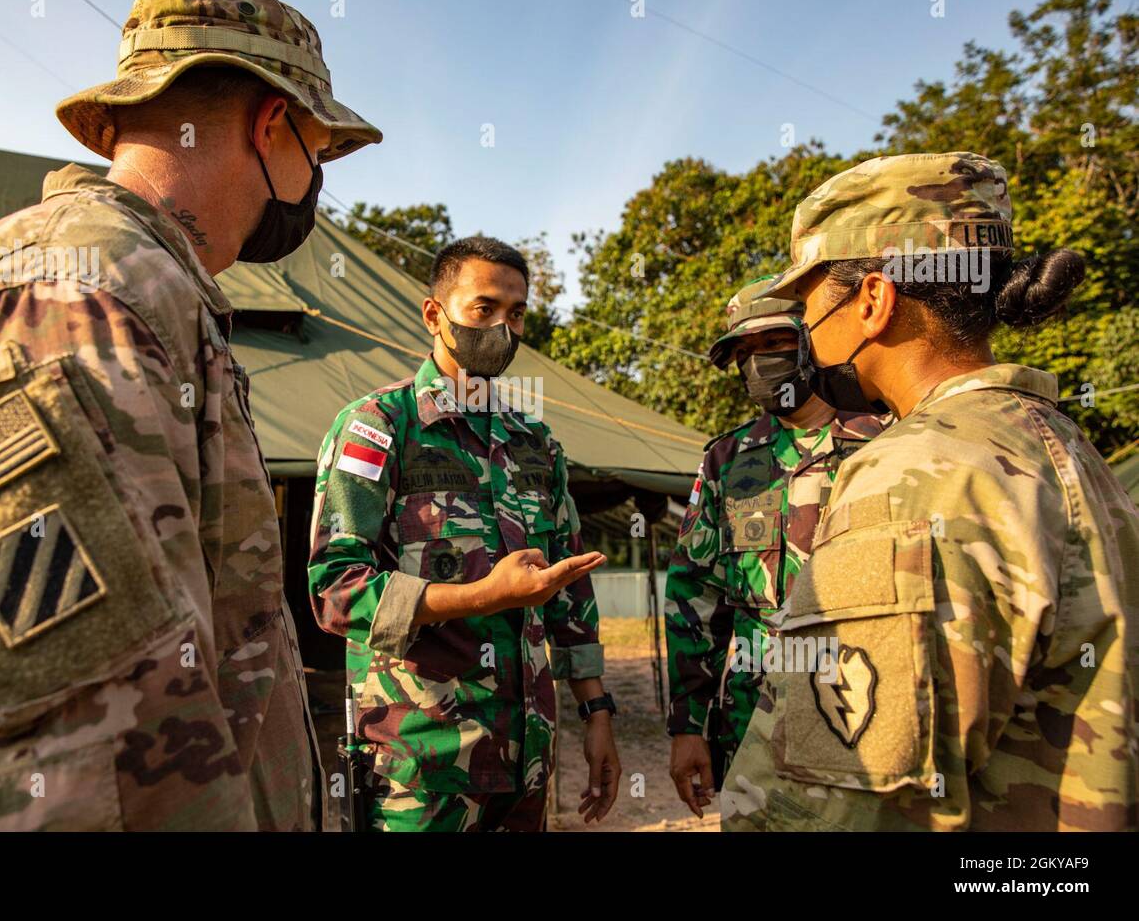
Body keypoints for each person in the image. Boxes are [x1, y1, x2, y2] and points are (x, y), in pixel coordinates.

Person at [0, 0, 380, 830]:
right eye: (317, 150)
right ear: (271, 125)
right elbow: (92, 752)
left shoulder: (137, 287)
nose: (314, 179)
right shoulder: (77, 294)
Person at [721, 151, 1139, 831]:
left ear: (874, 299)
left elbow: (847, 803)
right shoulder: (1066, 449)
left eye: (809, 308)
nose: (808, 338)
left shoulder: (913, 478)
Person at [306, 236, 619, 831]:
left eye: (517, 312)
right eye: (484, 309)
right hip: (422, 767)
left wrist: (597, 711)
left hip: (525, 757)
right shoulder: (378, 427)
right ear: (435, 314)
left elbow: (570, 590)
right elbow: (335, 590)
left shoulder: (536, 443)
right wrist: (485, 596)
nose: (502, 327)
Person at [664, 276, 889, 818]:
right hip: (753, 719)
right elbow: (693, 595)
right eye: (744, 353)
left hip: (864, 711)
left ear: (811, 339)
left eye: (774, 346)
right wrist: (687, 726)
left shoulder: (886, 439)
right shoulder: (727, 459)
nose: (758, 363)